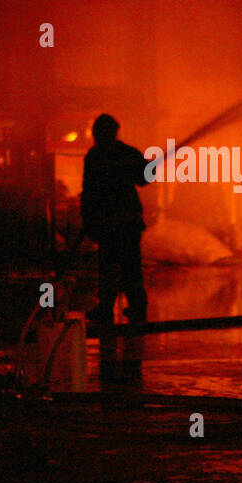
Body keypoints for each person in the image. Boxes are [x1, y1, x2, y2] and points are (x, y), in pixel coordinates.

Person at [80, 114, 149, 325]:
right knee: (129, 266)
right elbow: (144, 179)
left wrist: (88, 219)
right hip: (126, 221)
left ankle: (107, 308)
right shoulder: (128, 154)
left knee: (109, 267)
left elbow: (88, 191)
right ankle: (136, 307)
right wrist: (148, 168)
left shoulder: (95, 157)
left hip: (109, 221)